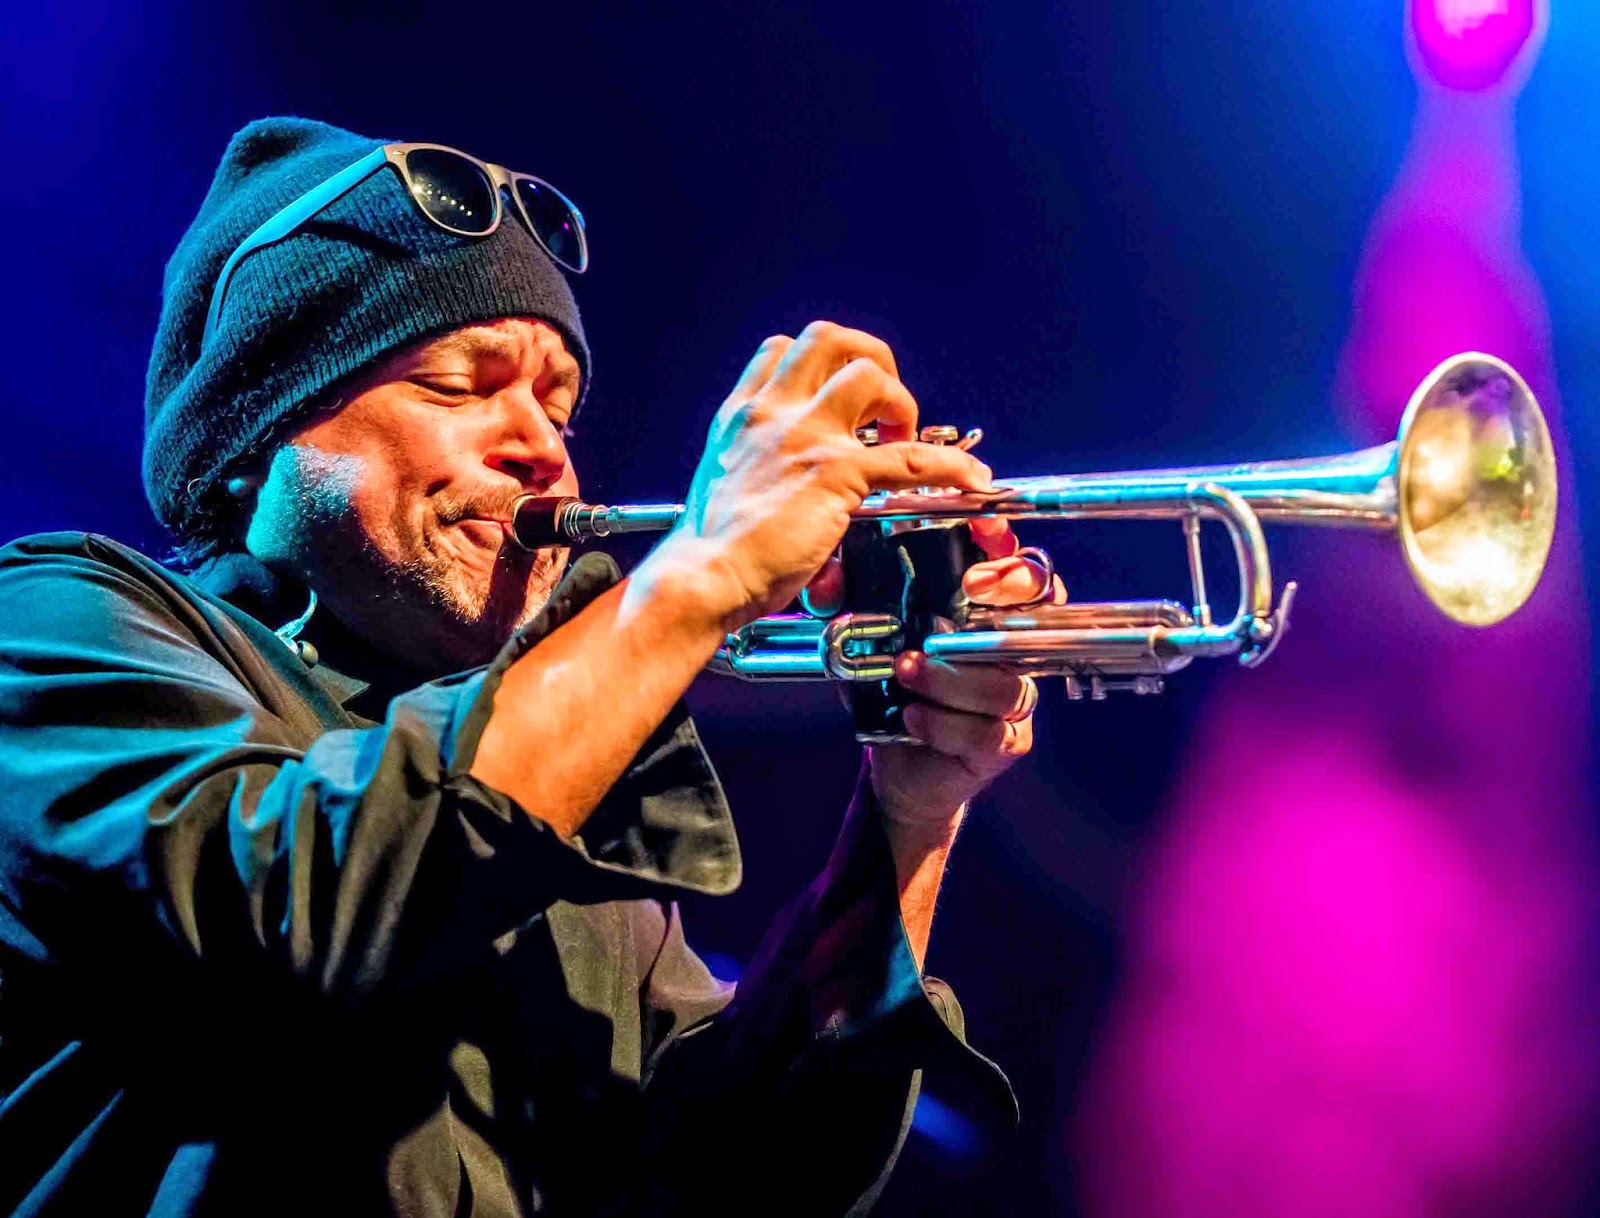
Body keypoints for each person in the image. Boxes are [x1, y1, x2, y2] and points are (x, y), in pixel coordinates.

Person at [0, 118, 1048, 1217]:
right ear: (262, 433)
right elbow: (306, 914)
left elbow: (746, 1181)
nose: (543, 448)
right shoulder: (56, 625)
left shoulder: (566, 788)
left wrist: (911, 803)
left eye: (555, 405)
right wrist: (702, 570)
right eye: (460, 385)